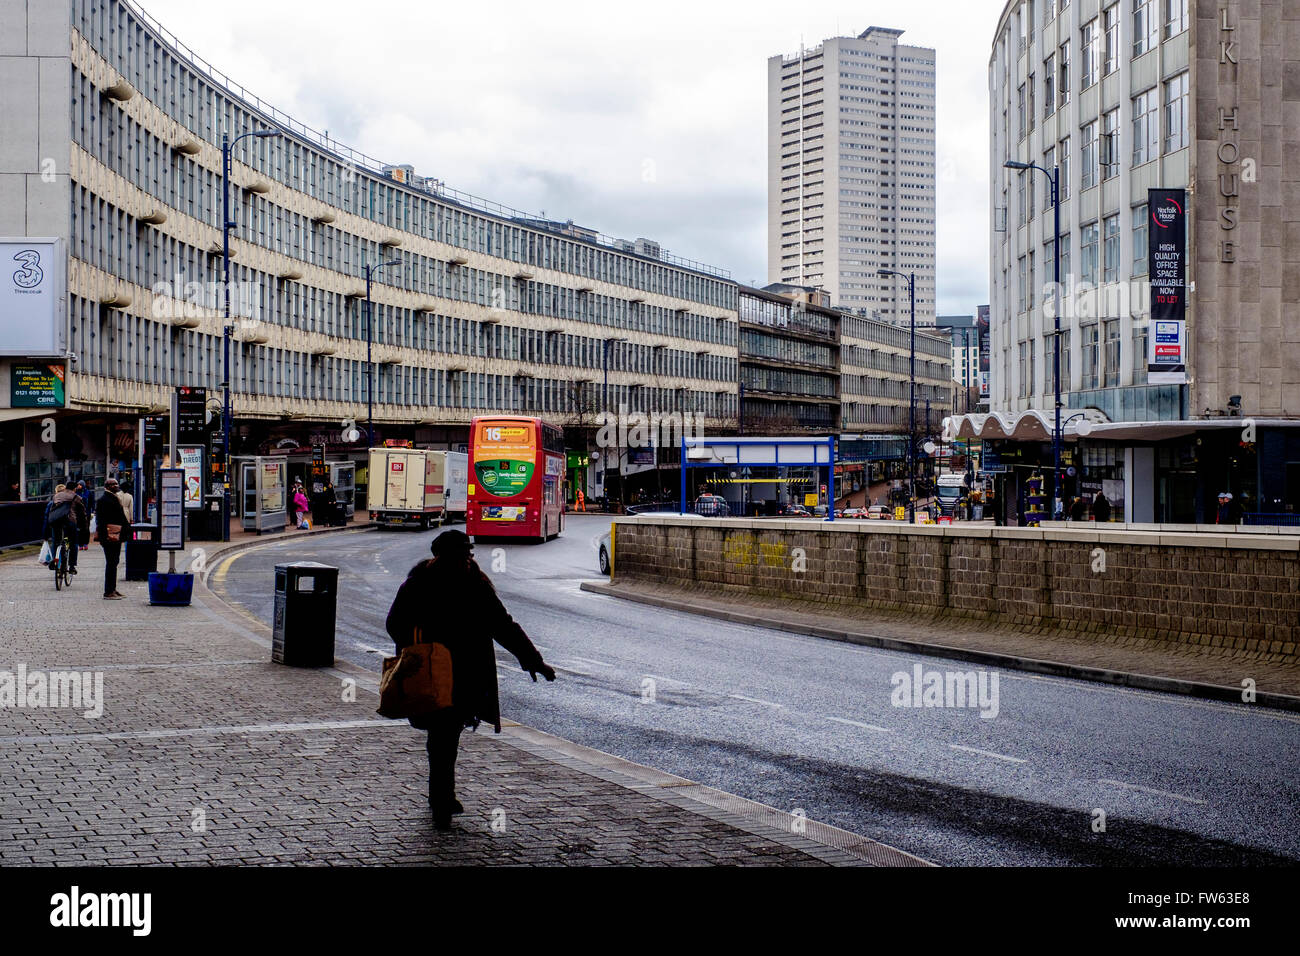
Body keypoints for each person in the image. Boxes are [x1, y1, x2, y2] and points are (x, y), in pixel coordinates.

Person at [385, 530, 555, 830]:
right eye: (462, 554)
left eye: (467, 553)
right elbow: (503, 626)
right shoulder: (469, 583)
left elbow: (502, 625)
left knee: (443, 736)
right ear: (446, 556)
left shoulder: (423, 582)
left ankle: (442, 798)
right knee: (444, 736)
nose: (466, 558)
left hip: (444, 673)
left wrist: (533, 660)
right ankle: (442, 800)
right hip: (452, 674)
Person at [96, 478, 129, 599]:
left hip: (116, 534)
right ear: (108, 486)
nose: (117, 486)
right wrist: (103, 536)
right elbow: (101, 520)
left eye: (116, 484)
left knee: (114, 562)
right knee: (111, 562)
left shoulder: (114, 498)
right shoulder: (104, 500)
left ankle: (113, 588)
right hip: (110, 536)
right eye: (114, 484)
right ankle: (108, 591)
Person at [42, 483, 85, 575]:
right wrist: (82, 526)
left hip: (55, 521)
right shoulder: (76, 497)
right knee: (73, 543)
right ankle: (72, 566)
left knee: (56, 542)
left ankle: (54, 560)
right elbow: (82, 513)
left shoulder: (56, 496)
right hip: (69, 521)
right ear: (74, 489)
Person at [75, 481, 94, 549]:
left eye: (80, 485)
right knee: (79, 529)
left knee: (86, 528)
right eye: (78, 485)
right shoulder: (76, 492)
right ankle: (80, 544)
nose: (78, 486)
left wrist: (92, 511)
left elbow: (92, 502)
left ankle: (86, 543)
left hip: (87, 513)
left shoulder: (88, 492)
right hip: (78, 514)